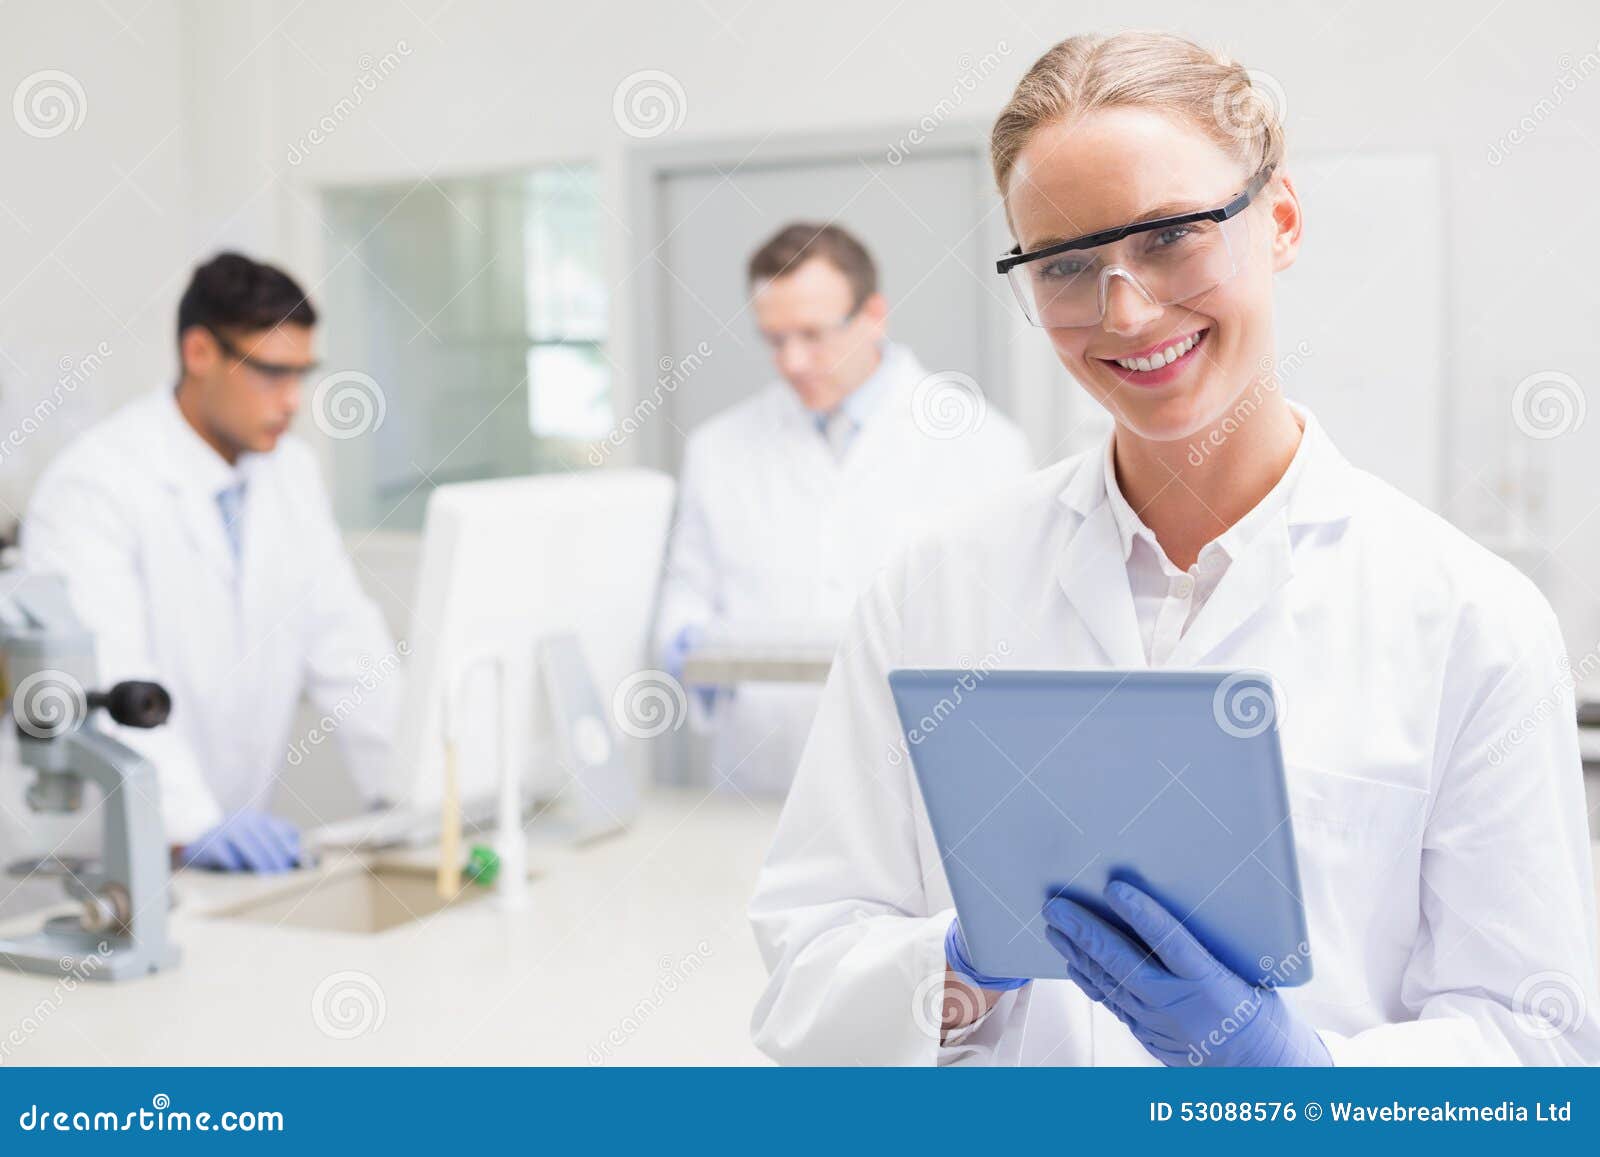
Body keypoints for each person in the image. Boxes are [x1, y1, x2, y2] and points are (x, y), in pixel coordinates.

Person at [749, 31, 1600, 1065]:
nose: (1126, 310)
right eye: (1064, 264)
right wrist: (959, 965)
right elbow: (801, 983)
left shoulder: (1472, 620)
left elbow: (1537, 1040)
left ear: (1277, 219)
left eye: (1168, 238)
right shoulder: (933, 591)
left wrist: (1304, 1077)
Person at [22, 252, 397, 872]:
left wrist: (416, 796)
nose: (293, 401)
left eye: (302, 375)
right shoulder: (94, 486)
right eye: (272, 373)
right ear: (200, 353)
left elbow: (348, 649)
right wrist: (189, 821)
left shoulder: (290, 474)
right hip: (97, 860)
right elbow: (111, 679)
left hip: (225, 858)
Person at [654, 222, 1032, 793]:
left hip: (917, 782)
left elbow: (1015, 627)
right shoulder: (718, 449)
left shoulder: (981, 444)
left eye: (813, 334)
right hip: (763, 775)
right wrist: (689, 648)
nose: (793, 362)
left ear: (873, 314)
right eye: (774, 339)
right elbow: (685, 597)